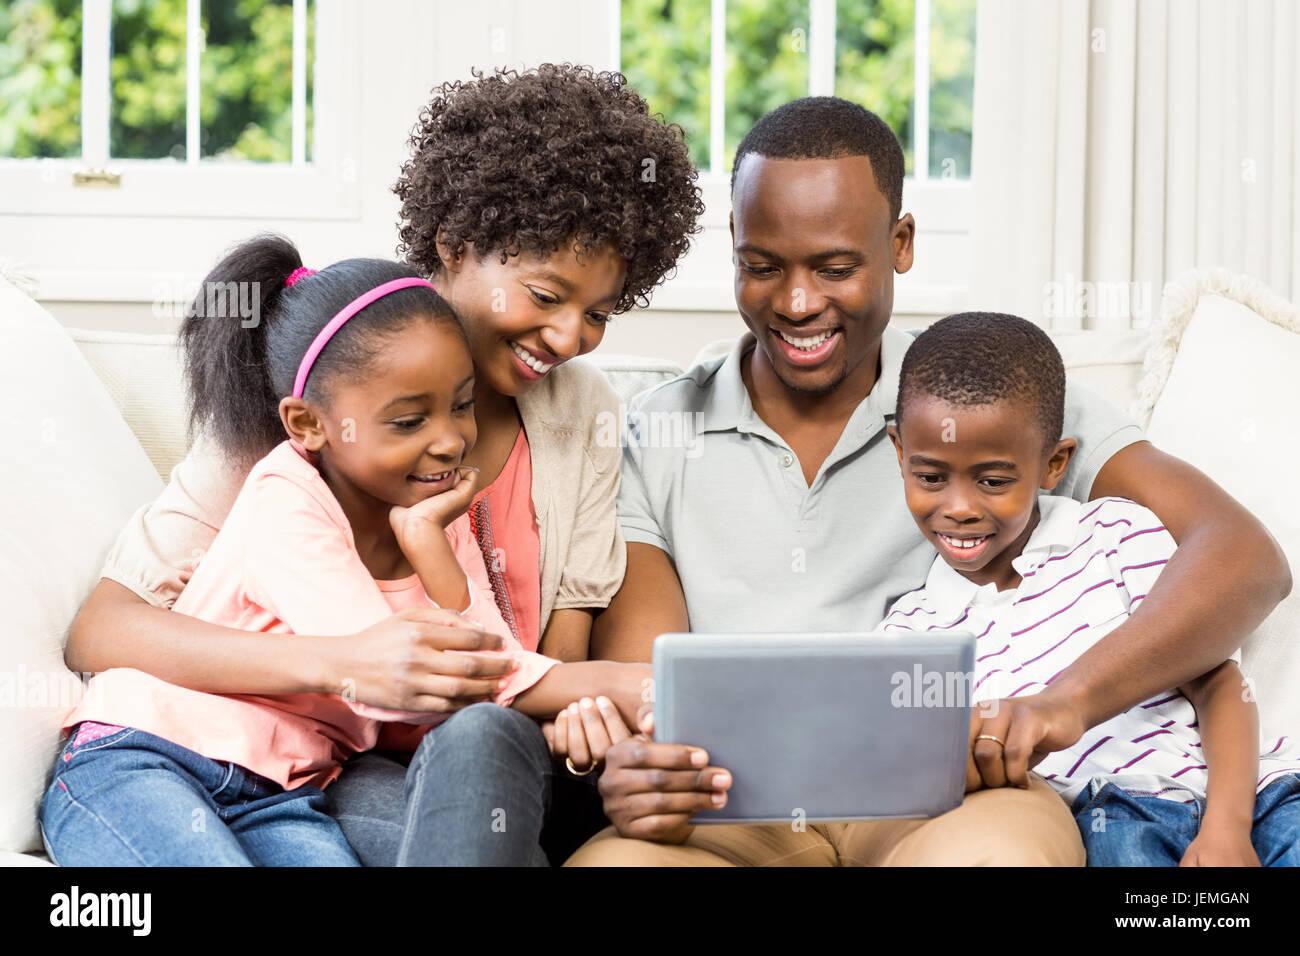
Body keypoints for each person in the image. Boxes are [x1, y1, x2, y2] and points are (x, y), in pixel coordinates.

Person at [569, 97, 1290, 866]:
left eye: (836, 267)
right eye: (762, 266)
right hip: (728, 806)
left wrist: (1065, 701)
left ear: (900, 244)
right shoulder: (656, 432)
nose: (798, 301)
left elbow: (1242, 557)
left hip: (948, 796)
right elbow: (648, 686)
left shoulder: (984, 391)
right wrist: (636, 765)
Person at [61, 65, 702, 866]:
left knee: (486, 740)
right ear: (454, 243)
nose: (569, 337)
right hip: (327, 769)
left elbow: (540, 662)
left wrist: (591, 717)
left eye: (599, 313)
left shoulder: (582, 413)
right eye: (544, 294)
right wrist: (340, 667)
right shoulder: (322, 375)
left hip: (489, 747)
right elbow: (104, 628)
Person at [878, 312, 1300, 867]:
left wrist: (1226, 828)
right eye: (930, 477)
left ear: (1054, 464)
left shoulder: (1112, 533)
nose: (958, 507)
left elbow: (1221, 686)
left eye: (994, 481)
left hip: (1255, 800)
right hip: (1111, 823)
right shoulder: (911, 633)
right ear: (898, 452)